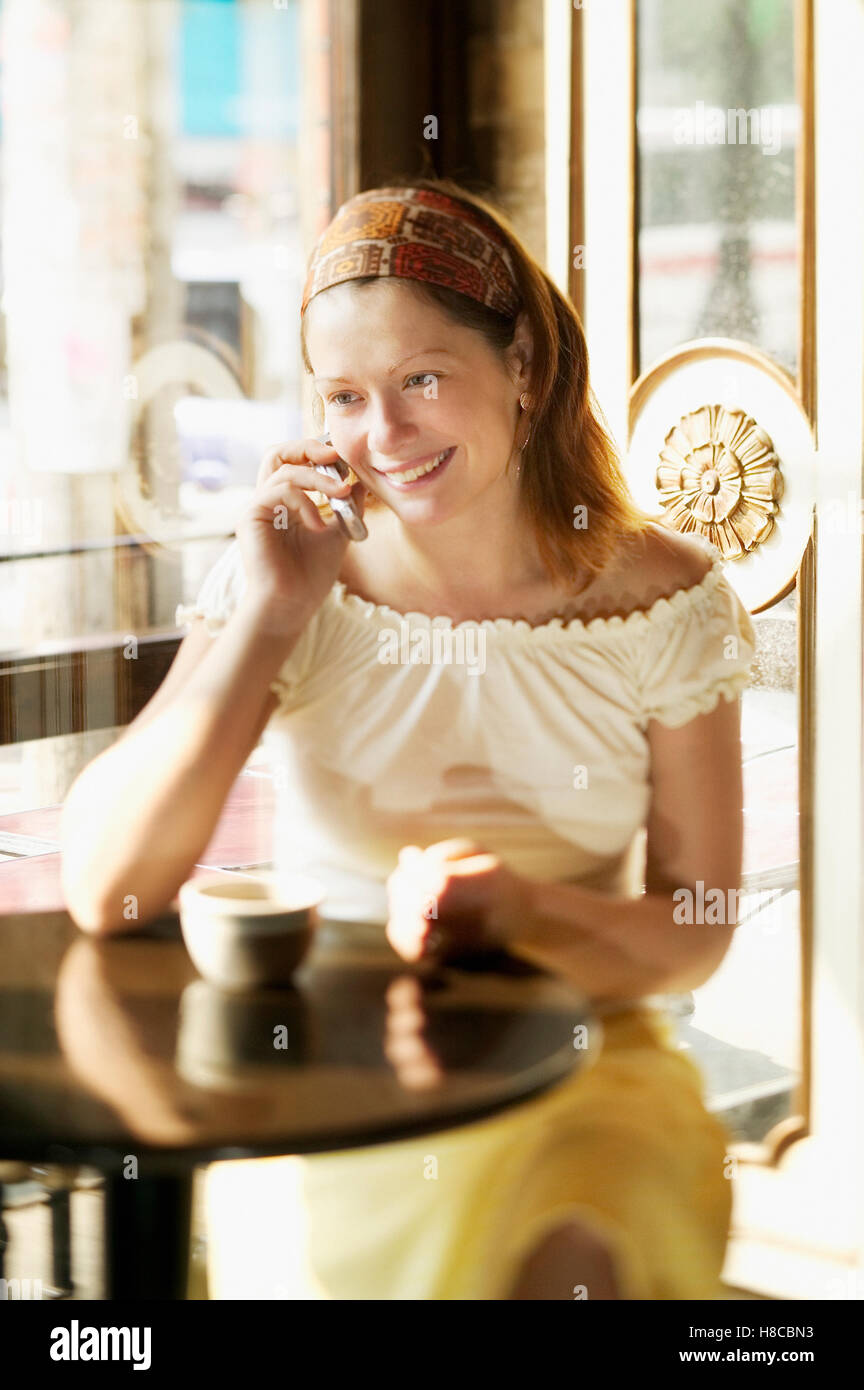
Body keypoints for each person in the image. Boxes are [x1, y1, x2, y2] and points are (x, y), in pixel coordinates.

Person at [61, 176, 756, 1299]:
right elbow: (108, 886)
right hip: (331, 1067)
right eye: (343, 396)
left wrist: (526, 912)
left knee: (578, 1248)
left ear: (523, 362)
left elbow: (696, 930)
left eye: (421, 379)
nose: (382, 436)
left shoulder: (664, 602)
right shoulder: (292, 578)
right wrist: (271, 615)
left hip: (582, 1064)